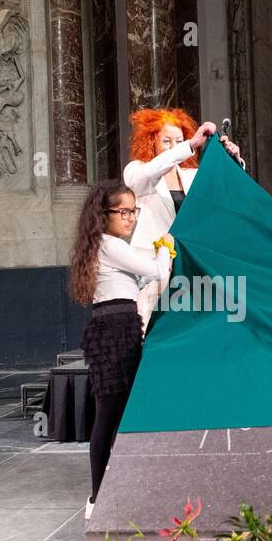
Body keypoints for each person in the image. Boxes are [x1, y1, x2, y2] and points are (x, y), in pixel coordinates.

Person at [69, 181, 174, 519]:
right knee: (108, 415)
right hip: (113, 330)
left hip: (122, 325)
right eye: (124, 212)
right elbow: (158, 270)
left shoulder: (108, 247)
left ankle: (114, 488)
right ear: (104, 215)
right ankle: (97, 496)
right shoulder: (109, 244)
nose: (131, 218)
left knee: (118, 414)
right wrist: (166, 246)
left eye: (133, 211)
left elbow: (137, 281)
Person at [124, 108, 242, 329]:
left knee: (187, 320)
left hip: (187, 258)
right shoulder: (137, 170)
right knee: (147, 317)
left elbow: (224, 188)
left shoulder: (190, 175)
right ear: (152, 142)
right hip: (151, 260)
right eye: (166, 141)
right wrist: (188, 146)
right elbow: (151, 171)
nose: (173, 146)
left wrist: (232, 159)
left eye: (179, 140)